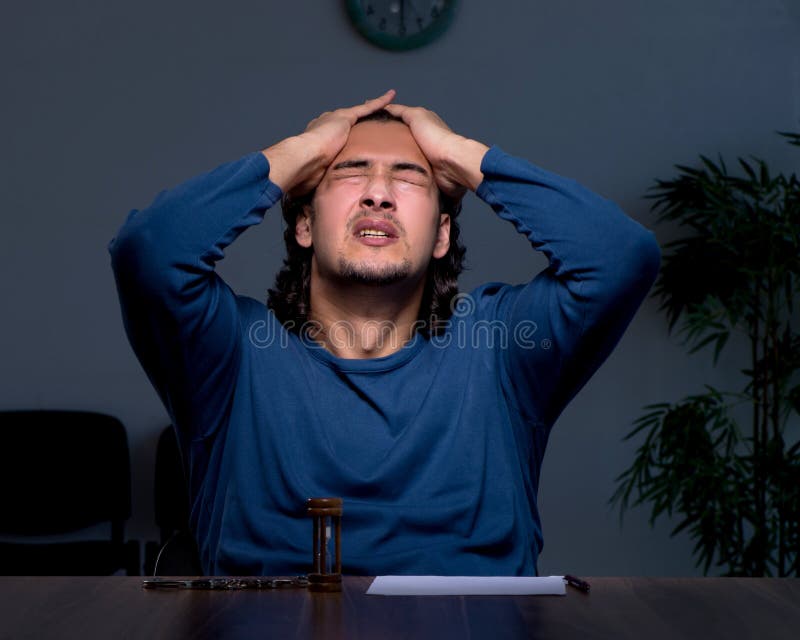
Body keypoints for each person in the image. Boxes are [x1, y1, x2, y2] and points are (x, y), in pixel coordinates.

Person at [110, 90, 660, 576]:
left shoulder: (499, 346)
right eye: (350, 173)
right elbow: (149, 251)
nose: (379, 194)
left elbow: (620, 257)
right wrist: (297, 152)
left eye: (409, 175)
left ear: (441, 233)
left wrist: (460, 154)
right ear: (304, 223)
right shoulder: (229, 350)